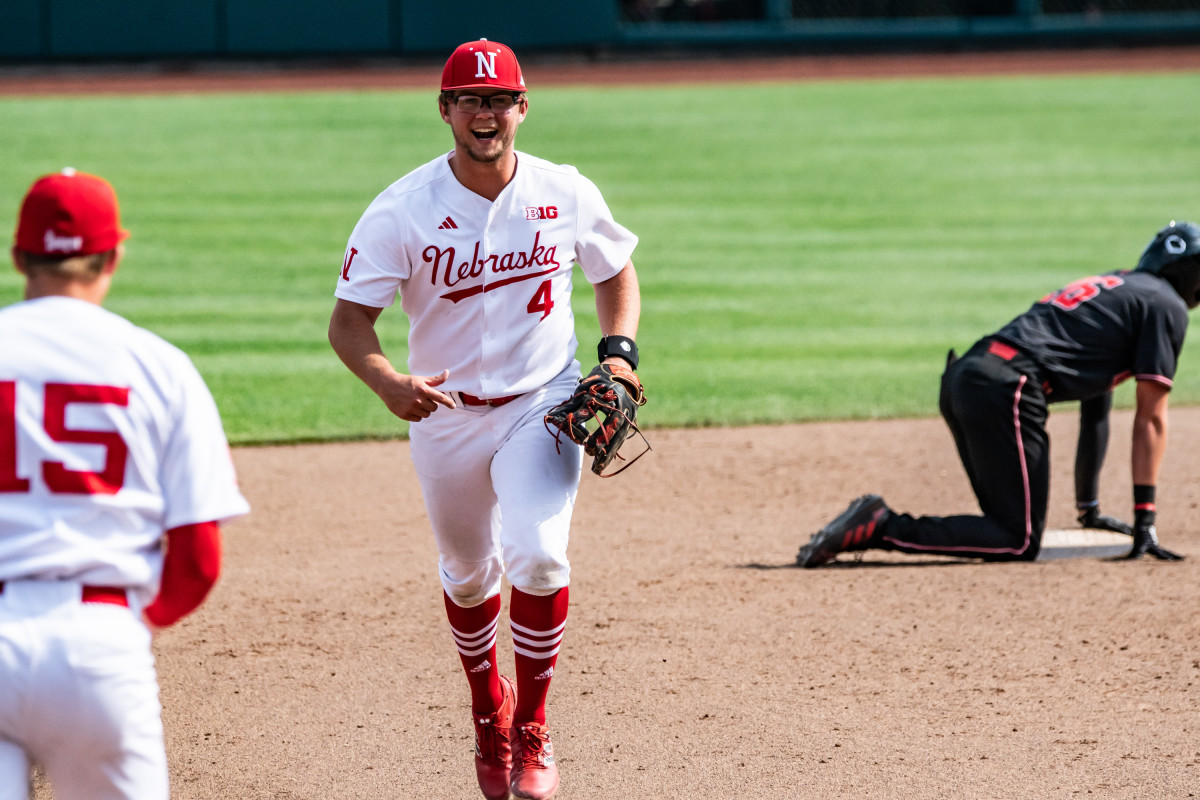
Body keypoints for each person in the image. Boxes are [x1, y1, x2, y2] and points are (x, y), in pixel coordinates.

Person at [327, 39, 642, 800]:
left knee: (539, 558)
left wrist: (620, 355)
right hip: (445, 414)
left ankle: (532, 725)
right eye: (470, 99)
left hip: (543, 405)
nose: (486, 113)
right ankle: (486, 708)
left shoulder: (563, 191)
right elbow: (349, 322)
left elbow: (615, 273)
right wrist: (387, 383)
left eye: (500, 99)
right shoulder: (402, 209)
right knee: (470, 579)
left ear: (522, 108)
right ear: (445, 110)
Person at [0, 169, 250, 798]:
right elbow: (197, 560)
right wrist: (124, 629)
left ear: (19, 256)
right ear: (112, 257)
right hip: (99, 646)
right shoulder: (160, 366)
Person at [798, 221, 1198, 567]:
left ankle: (876, 524)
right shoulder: (1166, 305)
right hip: (1007, 388)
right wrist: (1145, 521)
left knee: (1006, 524)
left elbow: (1096, 407)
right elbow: (1151, 418)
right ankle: (881, 526)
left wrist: (1089, 509)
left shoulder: (1124, 288)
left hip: (969, 377)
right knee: (1017, 539)